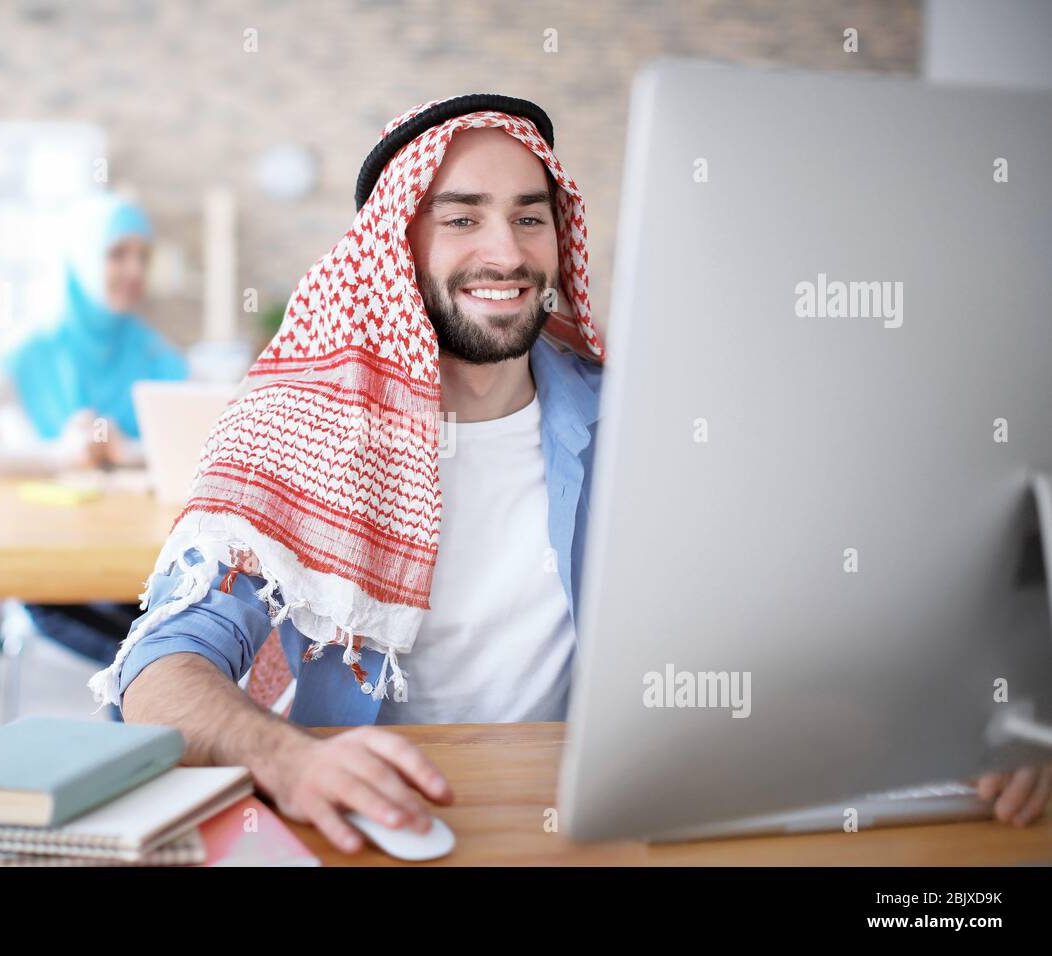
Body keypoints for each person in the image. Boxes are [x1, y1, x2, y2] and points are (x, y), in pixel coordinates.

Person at [96, 95, 1052, 853]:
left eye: (529, 218)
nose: (504, 253)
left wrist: (1000, 722)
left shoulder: (644, 418)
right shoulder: (296, 432)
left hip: (595, 832)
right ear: (395, 251)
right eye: (460, 219)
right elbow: (159, 672)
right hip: (374, 832)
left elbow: (829, 601)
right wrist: (288, 761)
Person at [0, 193, 187, 692]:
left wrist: (124, 450)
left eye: (142, 257)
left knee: (168, 639)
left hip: (144, 563)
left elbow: (197, 446)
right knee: (158, 659)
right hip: (56, 573)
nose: (133, 269)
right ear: (82, 258)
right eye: (117, 254)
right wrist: (57, 457)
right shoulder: (31, 347)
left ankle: (156, 709)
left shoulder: (155, 351)